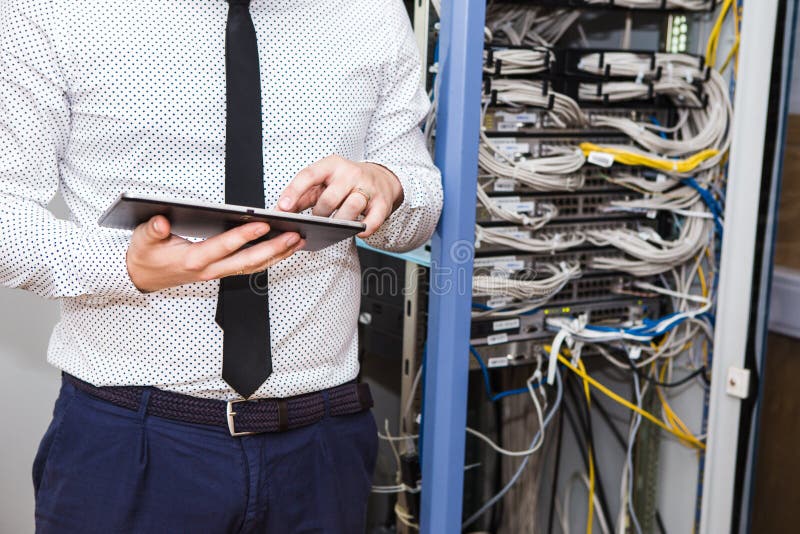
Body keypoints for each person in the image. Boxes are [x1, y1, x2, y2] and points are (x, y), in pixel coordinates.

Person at [0, 0, 442, 532]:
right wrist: (124, 265)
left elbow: (419, 206)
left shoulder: (373, 12)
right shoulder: (50, 10)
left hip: (322, 444)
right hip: (128, 441)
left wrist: (388, 185)